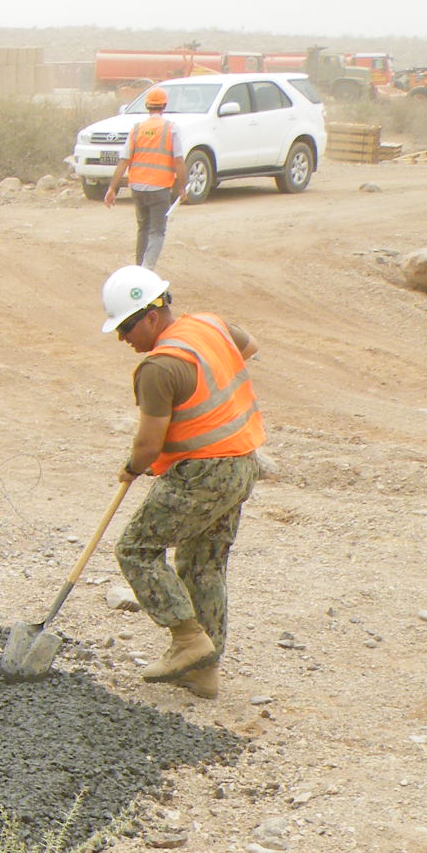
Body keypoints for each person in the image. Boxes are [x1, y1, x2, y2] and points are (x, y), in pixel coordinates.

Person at [99, 265, 265, 700]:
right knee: (203, 563)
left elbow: (149, 444)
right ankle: (204, 673)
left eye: (126, 327)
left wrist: (133, 467)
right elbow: (248, 347)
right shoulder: (211, 326)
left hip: (202, 472)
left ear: (151, 315)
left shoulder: (159, 369)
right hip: (242, 462)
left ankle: (189, 640)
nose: (123, 339)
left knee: (135, 549)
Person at [103, 86, 181, 271]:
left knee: (143, 229)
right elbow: (179, 160)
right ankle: (147, 270)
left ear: (147, 105)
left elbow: (124, 160)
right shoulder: (171, 128)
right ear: (164, 105)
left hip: (137, 188)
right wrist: (183, 187)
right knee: (157, 232)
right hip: (160, 188)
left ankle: (139, 269)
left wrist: (112, 189)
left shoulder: (137, 129)